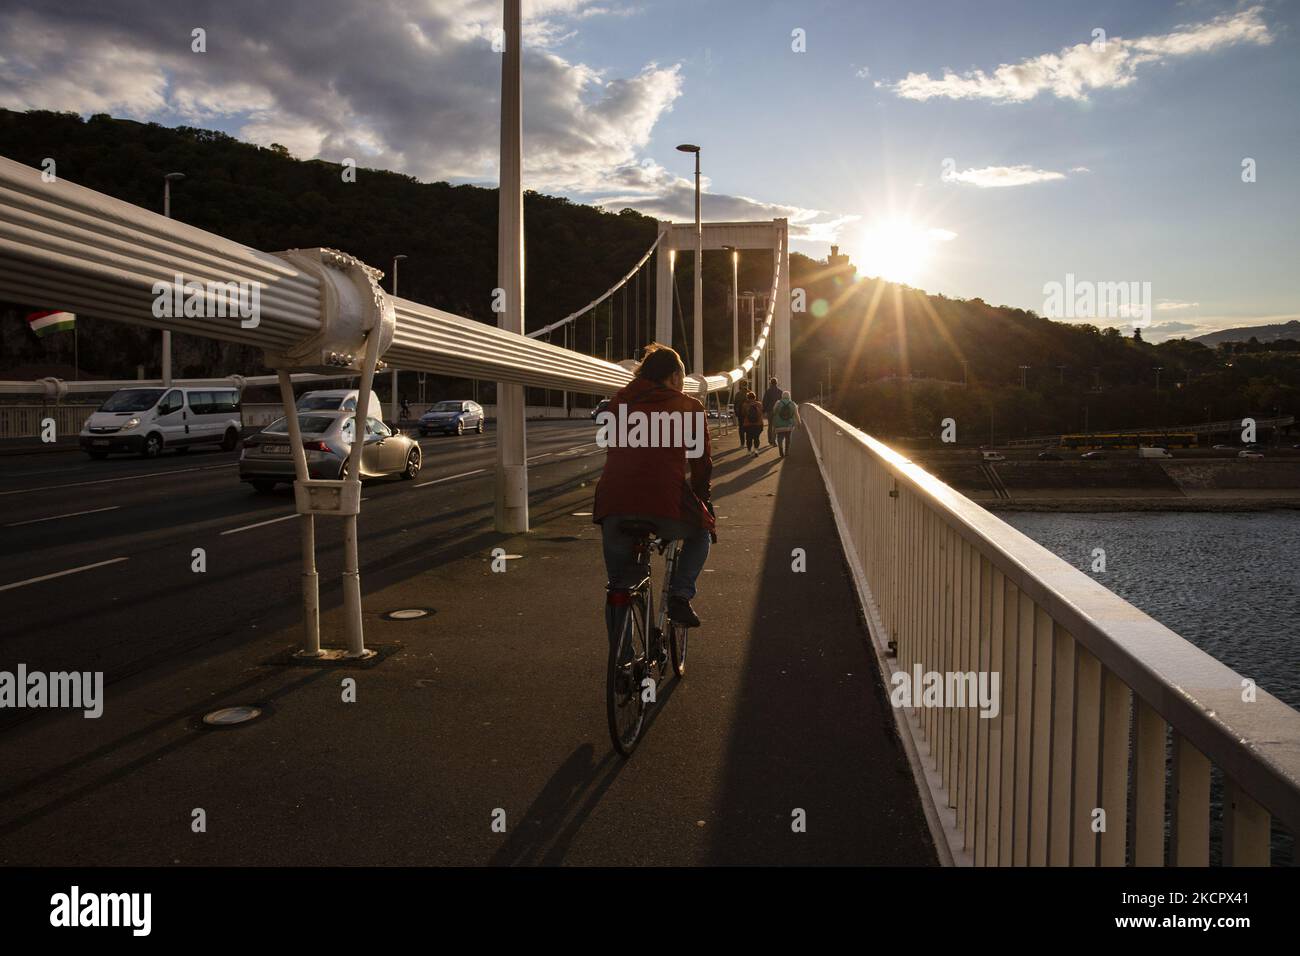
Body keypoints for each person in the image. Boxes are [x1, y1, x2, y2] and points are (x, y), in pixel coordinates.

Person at [593, 343, 714, 627]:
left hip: (612, 504)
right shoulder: (688, 407)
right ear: (674, 377)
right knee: (701, 534)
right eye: (682, 380)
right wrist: (702, 499)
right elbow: (701, 463)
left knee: (618, 586)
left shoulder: (618, 402)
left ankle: (621, 664)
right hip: (663, 502)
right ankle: (679, 597)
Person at [772, 390, 800, 457]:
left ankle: (781, 450)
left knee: (780, 438)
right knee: (788, 438)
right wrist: (799, 422)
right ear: (789, 396)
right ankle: (786, 451)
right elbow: (796, 414)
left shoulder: (778, 403)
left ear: (782, 396)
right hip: (789, 424)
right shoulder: (793, 403)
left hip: (779, 425)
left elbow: (774, 411)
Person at [741, 389, 763, 455]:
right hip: (758, 424)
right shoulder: (759, 404)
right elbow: (761, 413)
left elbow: (743, 414)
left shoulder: (745, 405)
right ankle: (756, 450)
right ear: (754, 397)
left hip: (748, 424)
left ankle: (749, 451)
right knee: (756, 437)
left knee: (748, 438)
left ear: (748, 397)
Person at [762, 376, 782, 446]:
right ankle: (774, 440)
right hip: (777, 411)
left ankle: (770, 440)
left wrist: (763, 411)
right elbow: (781, 402)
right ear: (776, 383)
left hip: (770, 411)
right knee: (776, 426)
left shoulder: (768, 391)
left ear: (770, 383)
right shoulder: (780, 391)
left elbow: (765, 402)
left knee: (770, 426)